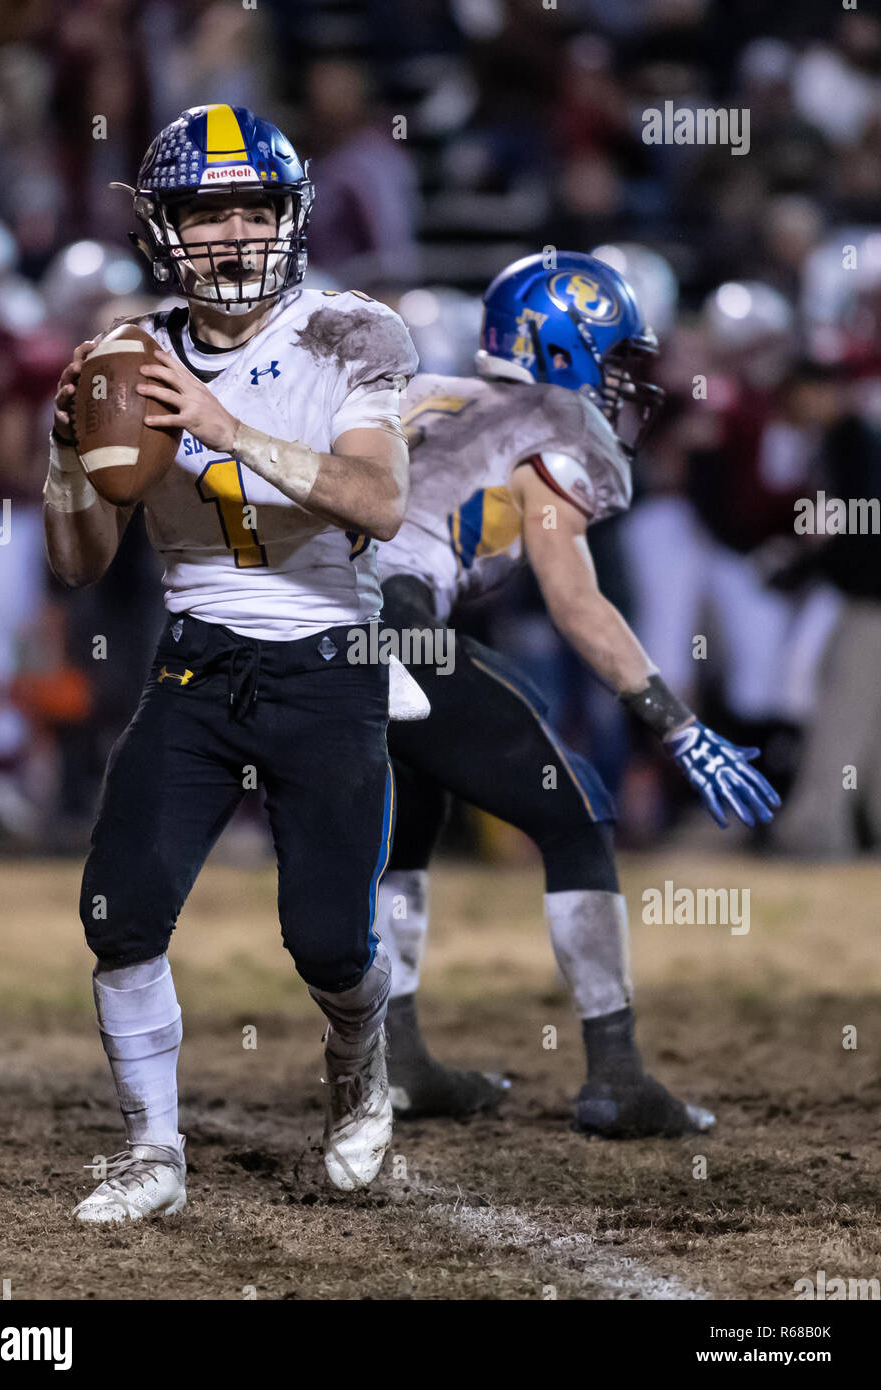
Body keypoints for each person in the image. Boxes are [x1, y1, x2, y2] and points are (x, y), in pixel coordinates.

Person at [42, 104, 418, 1218]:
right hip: (200, 660)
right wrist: (67, 457)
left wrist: (217, 423)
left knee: (328, 940)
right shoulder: (134, 352)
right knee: (120, 909)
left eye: (254, 207)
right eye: (208, 213)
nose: (234, 233)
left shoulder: (350, 331)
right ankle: (155, 1152)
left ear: (290, 219)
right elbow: (79, 559)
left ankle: (359, 1063)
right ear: (167, 231)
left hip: (326, 658)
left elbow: (378, 501)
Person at [375, 252, 780, 1134]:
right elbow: (575, 600)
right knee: (576, 812)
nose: (626, 379)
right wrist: (677, 725)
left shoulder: (428, 393)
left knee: (407, 814)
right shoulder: (554, 428)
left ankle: (394, 1059)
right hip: (387, 628)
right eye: (614, 355)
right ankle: (616, 1077)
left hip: (302, 621)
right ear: (559, 348)